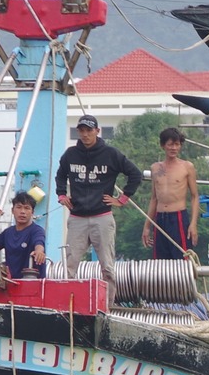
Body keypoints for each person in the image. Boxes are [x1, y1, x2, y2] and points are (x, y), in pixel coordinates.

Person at [54, 114, 143, 280]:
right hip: (77, 217)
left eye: (89, 130)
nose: (85, 134)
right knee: (69, 266)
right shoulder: (71, 154)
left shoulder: (110, 153)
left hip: (102, 217)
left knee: (107, 266)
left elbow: (135, 174)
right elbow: (60, 175)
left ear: (97, 131)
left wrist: (122, 199)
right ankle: (67, 305)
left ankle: (107, 305)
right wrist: (61, 194)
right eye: (81, 130)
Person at [142, 127, 200, 260]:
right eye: (170, 144)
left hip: (178, 217)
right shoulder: (155, 168)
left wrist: (193, 224)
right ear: (163, 146)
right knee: (161, 262)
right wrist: (147, 227)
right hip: (160, 218)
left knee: (182, 259)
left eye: (177, 144)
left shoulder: (187, 166)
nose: (174, 148)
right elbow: (154, 198)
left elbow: (194, 196)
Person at [0, 191, 48, 279]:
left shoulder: (36, 230)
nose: (22, 211)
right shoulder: (8, 232)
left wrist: (39, 252)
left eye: (27, 208)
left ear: (32, 212)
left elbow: (39, 242)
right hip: (11, 283)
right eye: (19, 207)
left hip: (33, 284)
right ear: (12, 210)